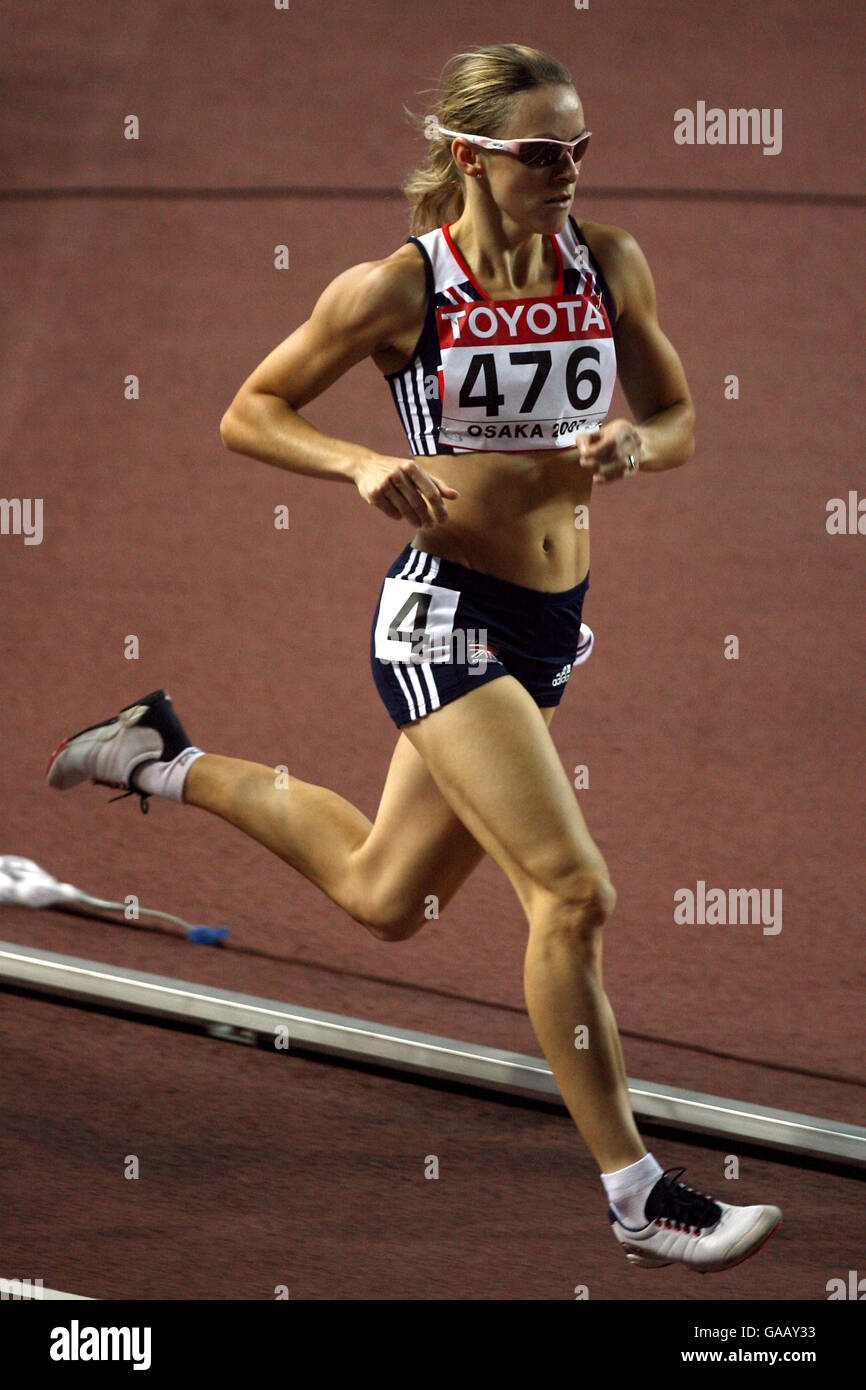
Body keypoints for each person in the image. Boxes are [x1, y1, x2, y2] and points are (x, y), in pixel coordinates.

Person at [47, 44, 781, 1274]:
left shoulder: (607, 262)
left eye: (578, 149)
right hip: (442, 614)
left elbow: (680, 418)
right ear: (467, 158)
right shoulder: (397, 290)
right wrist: (359, 463)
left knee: (389, 898)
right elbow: (251, 408)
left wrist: (634, 452)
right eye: (540, 153)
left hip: (550, 625)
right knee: (572, 894)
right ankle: (636, 1194)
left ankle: (158, 758)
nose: (566, 171)